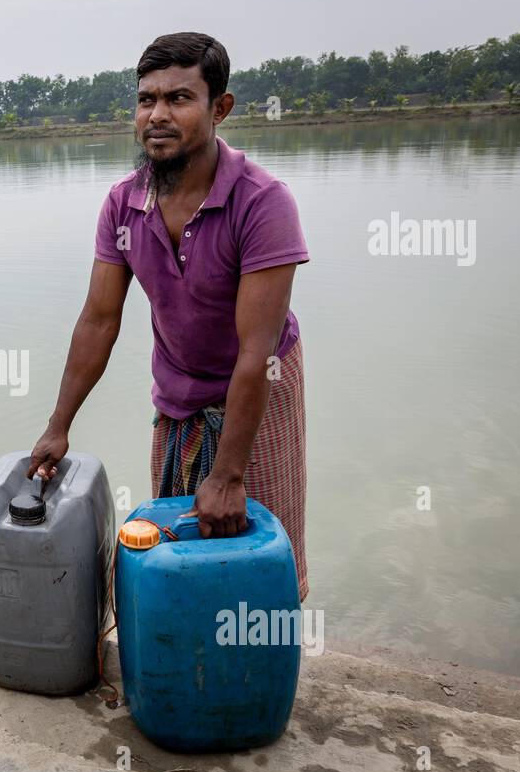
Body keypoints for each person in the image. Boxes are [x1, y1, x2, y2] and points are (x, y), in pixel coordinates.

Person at [27, 32, 311, 600]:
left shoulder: (262, 202)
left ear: (220, 108)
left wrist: (230, 473)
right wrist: (59, 426)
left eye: (179, 98)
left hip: (258, 387)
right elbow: (99, 321)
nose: (157, 114)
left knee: (255, 549)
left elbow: (256, 351)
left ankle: (258, 669)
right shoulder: (123, 203)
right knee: (177, 551)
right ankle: (182, 664)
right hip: (178, 394)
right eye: (146, 99)